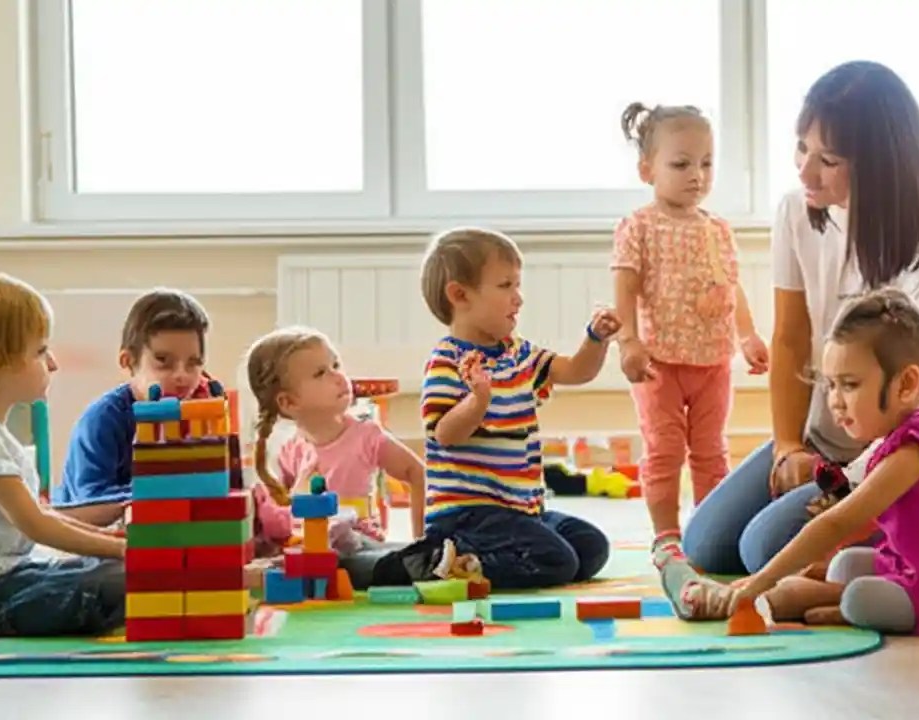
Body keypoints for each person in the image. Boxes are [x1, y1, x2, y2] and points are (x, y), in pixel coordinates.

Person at [683, 60, 919, 582]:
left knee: (761, 551)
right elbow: (791, 338)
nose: (805, 171)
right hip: (825, 437)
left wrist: (855, 486)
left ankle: (896, 546)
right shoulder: (798, 213)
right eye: (801, 148)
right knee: (706, 544)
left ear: (879, 164)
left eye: (828, 159)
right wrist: (788, 447)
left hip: (898, 457)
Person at [720, 287, 919, 637]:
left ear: (905, 384)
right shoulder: (891, 442)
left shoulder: (909, 454)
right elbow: (861, 525)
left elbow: (836, 523)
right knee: (844, 564)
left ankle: (838, 604)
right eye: (830, 385)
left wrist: (761, 580)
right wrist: (815, 564)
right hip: (914, 566)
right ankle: (835, 600)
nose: (835, 402)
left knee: (859, 596)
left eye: (850, 385)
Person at [371, 227, 617, 590]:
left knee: (592, 548)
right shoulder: (447, 361)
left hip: (521, 509)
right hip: (467, 515)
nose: (518, 299)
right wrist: (478, 401)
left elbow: (575, 370)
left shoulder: (517, 353)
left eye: (517, 286)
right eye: (505, 286)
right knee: (557, 561)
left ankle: (472, 561)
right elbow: (445, 434)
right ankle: (438, 560)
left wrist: (596, 339)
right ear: (459, 294)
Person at [610, 101, 768, 618]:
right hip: (659, 361)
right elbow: (626, 286)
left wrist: (747, 337)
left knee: (710, 451)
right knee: (664, 450)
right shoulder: (639, 225)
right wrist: (629, 342)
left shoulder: (717, 229)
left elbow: (731, 286)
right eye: (681, 164)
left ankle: (708, 532)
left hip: (712, 360)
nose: (696, 175)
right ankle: (665, 536)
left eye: (706, 163)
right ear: (647, 170)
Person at [0, 271, 126, 637]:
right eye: (40, 351)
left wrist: (111, 542)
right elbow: (36, 525)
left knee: (106, 568)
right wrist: (122, 552)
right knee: (117, 583)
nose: (54, 364)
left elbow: (40, 512)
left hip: (0, 577)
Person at [244, 325, 426, 558]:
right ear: (288, 402)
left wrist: (421, 540)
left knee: (380, 560)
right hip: (315, 552)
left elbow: (417, 472)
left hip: (359, 548)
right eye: (321, 373)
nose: (339, 377)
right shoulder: (292, 449)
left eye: (336, 365)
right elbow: (287, 517)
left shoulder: (367, 436)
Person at [51, 289, 217, 527]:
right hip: (94, 541)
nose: (182, 376)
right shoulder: (103, 420)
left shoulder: (200, 411)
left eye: (194, 363)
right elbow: (87, 505)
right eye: (163, 361)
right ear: (128, 361)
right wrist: (163, 491)